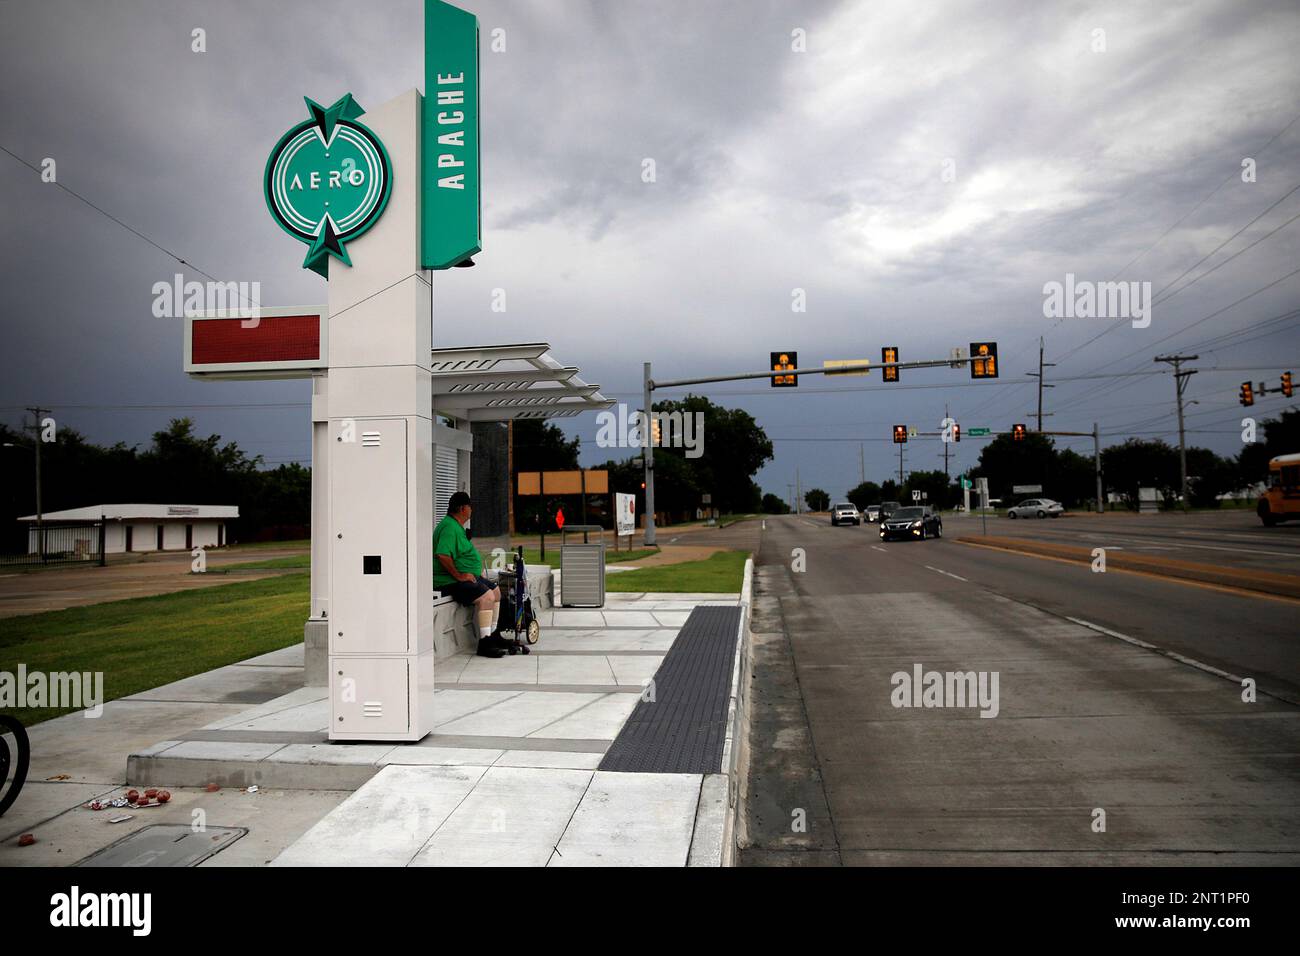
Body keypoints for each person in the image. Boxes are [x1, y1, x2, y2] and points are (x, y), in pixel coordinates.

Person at [433, 491, 510, 658]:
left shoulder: (456, 526)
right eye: (469, 506)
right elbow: (442, 555)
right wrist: (459, 576)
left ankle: (494, 634)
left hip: (463, 577)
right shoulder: (448, 527)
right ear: (462, 508)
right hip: (448, 581)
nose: (471, 510)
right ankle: (485, 643)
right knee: (487, 597)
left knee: (496, 591)